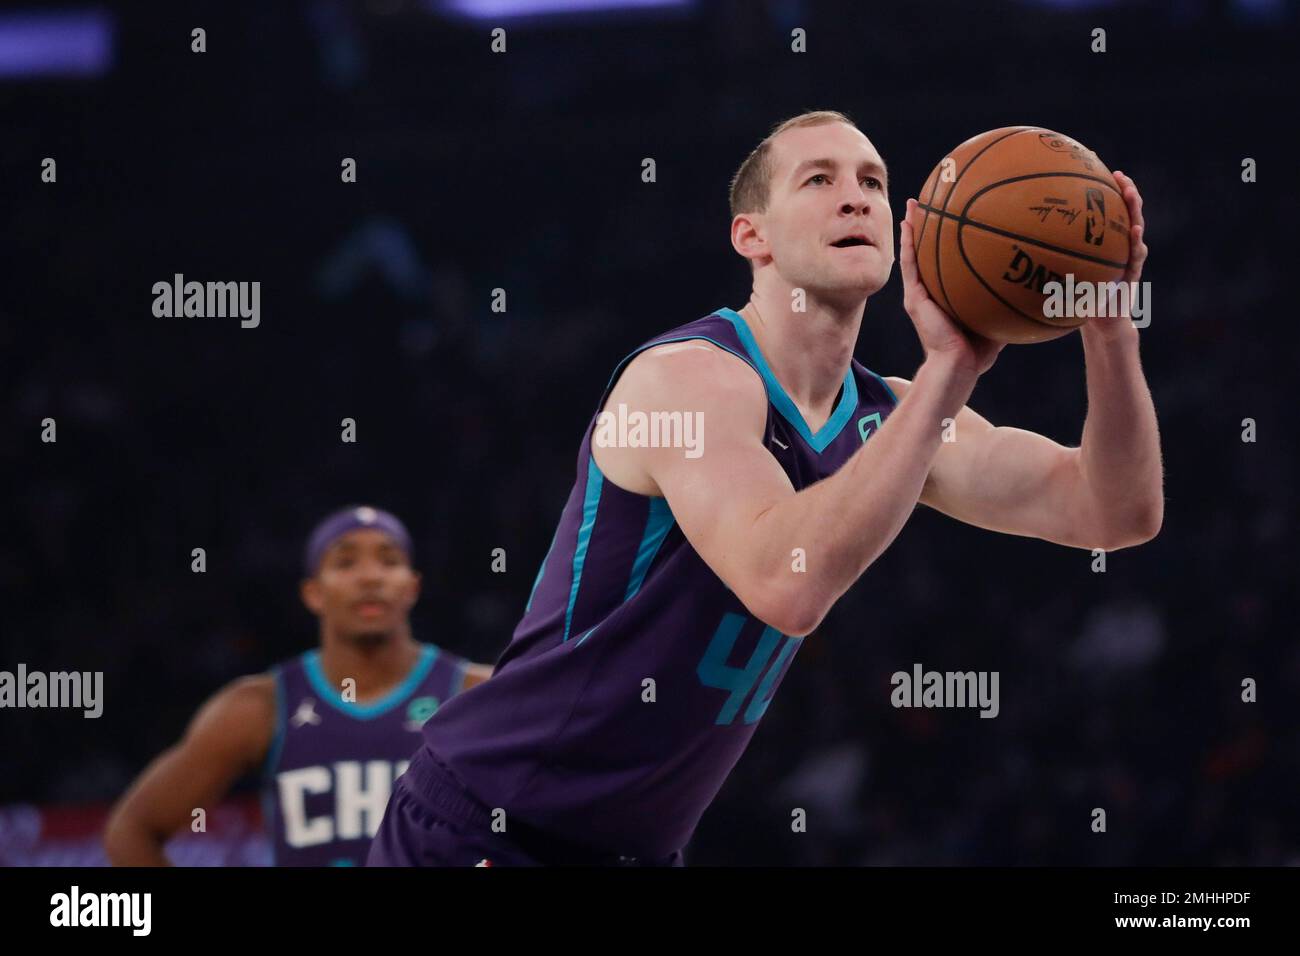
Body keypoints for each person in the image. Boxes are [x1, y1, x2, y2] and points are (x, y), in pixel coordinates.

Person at [367, 110, 1162, 867]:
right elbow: (788, 581)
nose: (856, 194)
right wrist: (949, 374)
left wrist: (1110, 330)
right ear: (752, 236)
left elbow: (1113, 510)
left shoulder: (893, 413)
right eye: (818, 180)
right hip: (491, 827)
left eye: (874, 182)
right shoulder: (686, 380)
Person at [104, 505, 492, 866]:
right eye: (346, 562)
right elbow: (132, 828)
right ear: (313, 593)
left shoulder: (477, 693)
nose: (370, 576)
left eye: (389, 561)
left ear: (412, 587)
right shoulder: (260, 706)